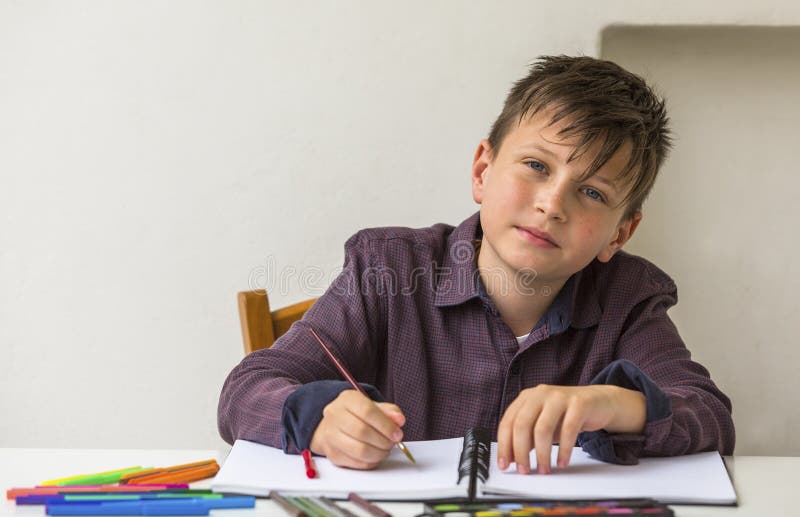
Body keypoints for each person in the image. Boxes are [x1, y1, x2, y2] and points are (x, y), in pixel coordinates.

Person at [218, 55, 735, 475]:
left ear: (619, 233)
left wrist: (615, 405)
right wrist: (320, 418)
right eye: (536, 166)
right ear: (483, 171)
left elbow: (709, 414)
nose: (553, 204)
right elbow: (248, 388)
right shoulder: (388, 270)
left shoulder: (628, 298)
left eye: (592, 192)